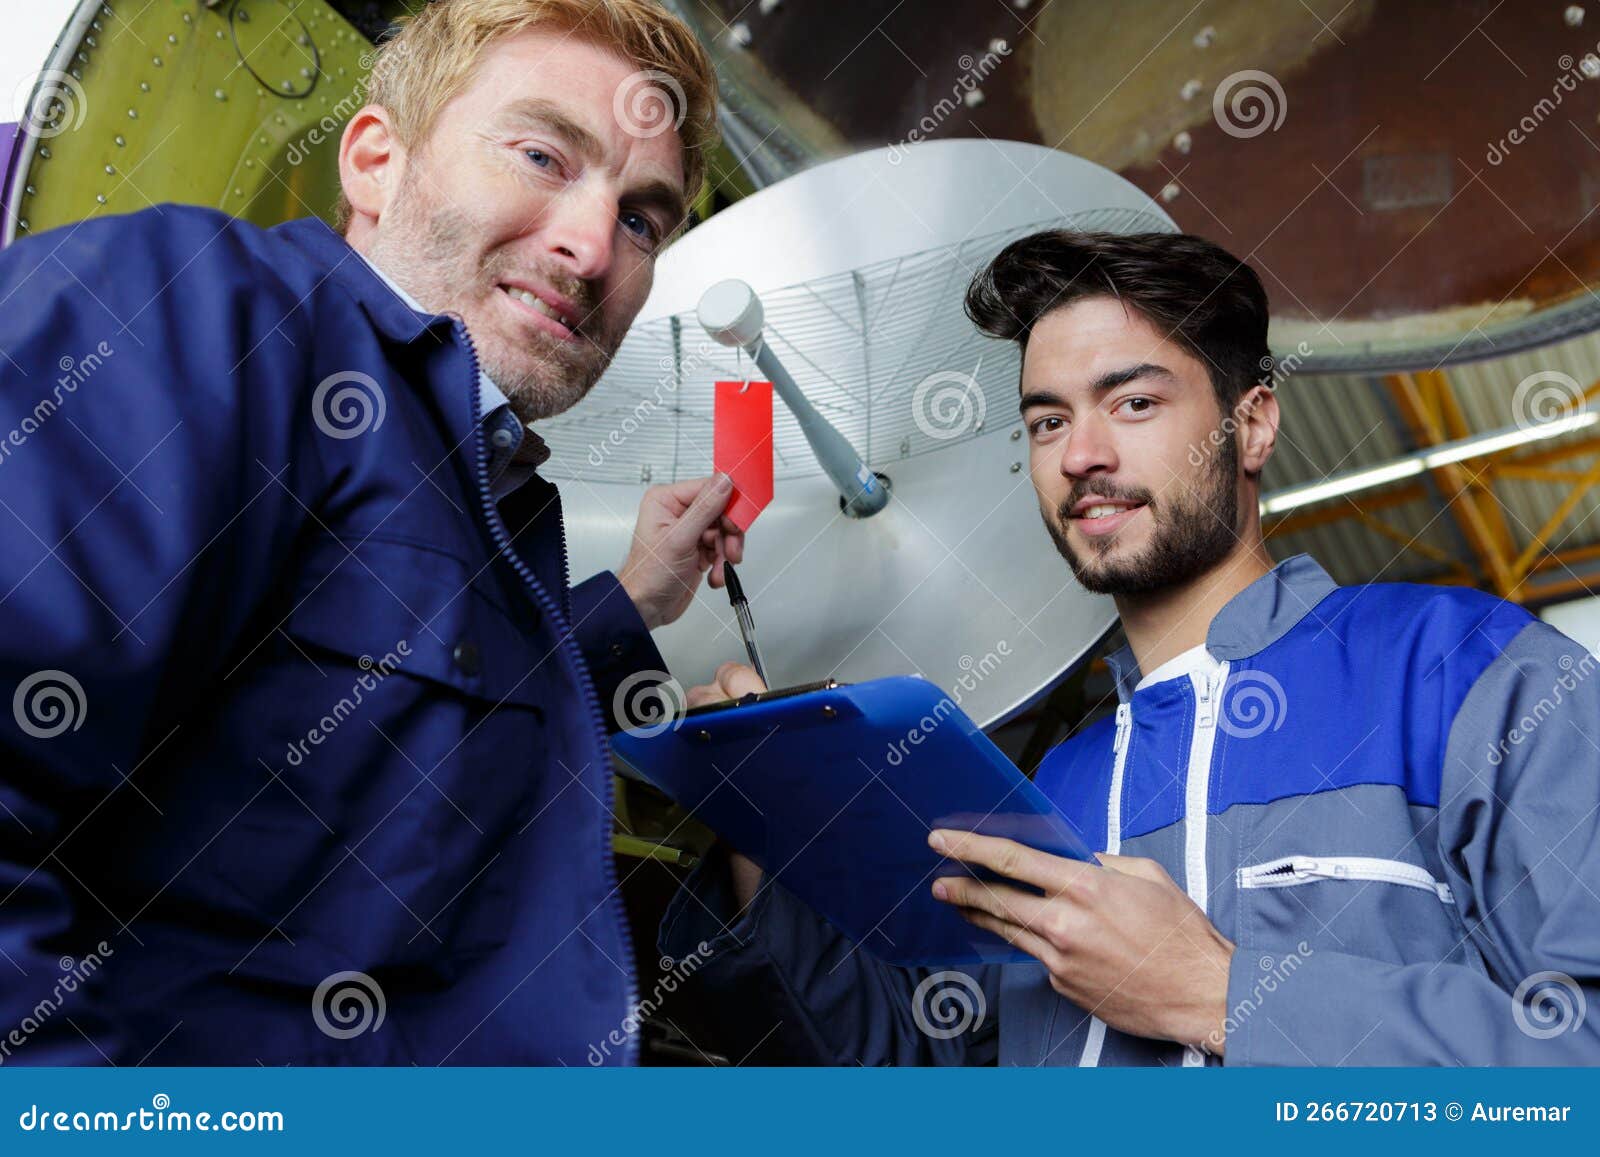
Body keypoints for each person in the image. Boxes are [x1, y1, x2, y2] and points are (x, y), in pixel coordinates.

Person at [662, 230, 1600, 1066]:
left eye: (1136, 403)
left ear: (1254, 424)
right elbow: (908, 1069)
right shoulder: (1036, 795)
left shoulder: (1469, 674)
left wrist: (1218, 994)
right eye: (1047, 421)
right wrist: (764, 809)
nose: (1080, 454)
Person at [0, 0, 732, 1065]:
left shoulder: (486, 485)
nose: (588, 246)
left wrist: (633, 599)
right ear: (376, 160)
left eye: (641, 219)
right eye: (540, 154)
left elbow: (381, 728)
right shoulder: (200, 312)